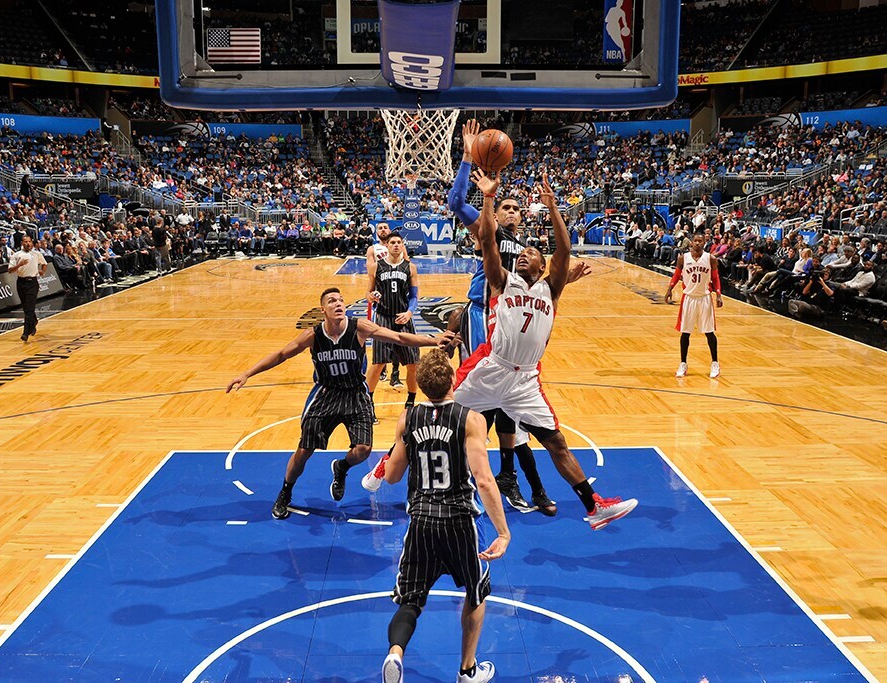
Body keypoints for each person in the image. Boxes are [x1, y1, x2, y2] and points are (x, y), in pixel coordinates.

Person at [456, 169, 638, 531]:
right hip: (492, 368)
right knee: (438, 417)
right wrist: (488, 198)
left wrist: (554, 207)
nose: (524, 255)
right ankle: (394, 471)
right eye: (521, 253)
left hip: (526, 380)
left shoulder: (550, 290)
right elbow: (489, 242)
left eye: (532, 253)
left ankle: (594, 506)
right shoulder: (501, 281)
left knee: (556, 442)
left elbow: (565, 250)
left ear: (543, 266)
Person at [225, 287, 455, 520]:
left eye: (341, 300)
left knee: (363, 450)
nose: (338, 303)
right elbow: (282, 354)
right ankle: (286, 491)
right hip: (326, 395)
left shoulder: (359, 328)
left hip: (356, 393)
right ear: (323, 309)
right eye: (332, 301)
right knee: (304, 451)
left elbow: (398, 337)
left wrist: (434, 340)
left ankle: (341, 467)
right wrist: (247, 374)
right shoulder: (313, 336)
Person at [445, 119, 554, 515]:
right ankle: (460, 471)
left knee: (508, 399)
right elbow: (457, 202)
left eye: (515, 208)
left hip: (511, 327)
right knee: (478, 399)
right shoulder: (488, 229)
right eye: (504, 205)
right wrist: (466, 155)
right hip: (481, 316)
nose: (510, 211)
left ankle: (505, 473)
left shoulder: (527, 253)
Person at [380, 350, 510, 683]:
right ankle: (467, 670)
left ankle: (395, 653)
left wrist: (397, 449)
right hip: (459, 521)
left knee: (410, 600)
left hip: (421, 519)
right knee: (476, 590)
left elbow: (392, 478)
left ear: (421, 385)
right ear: (453, 380)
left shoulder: (407, 419)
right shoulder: (471, 419)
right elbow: (483, 479)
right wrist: (503, 531)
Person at [366, 232, 420, 417]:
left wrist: (409, 313)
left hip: (403, 318)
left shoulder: (410, 267)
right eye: (392, 243)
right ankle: (368, 402)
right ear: (387, 246)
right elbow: (368, 292)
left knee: (413, 364)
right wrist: (371, 297)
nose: (396, 245)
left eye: (399, 242)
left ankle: (411, 402)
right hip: (382, 318)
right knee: (378, 363)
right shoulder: (376, 267)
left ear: (402, 245)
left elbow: (414, 297)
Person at [664, 232, 723, 378]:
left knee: (709, 332)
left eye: (700, 241)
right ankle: (683, 363)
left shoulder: (711, 259)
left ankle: (715, 363)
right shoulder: (683, 258)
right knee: (685, 333)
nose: (697, 243)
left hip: (705, 298)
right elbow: (677, 275)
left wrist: (719, 295)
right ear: (691, 242)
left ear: (704, 242)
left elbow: (715, 278)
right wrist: (669, 289)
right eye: (695, 241)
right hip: (688, 298)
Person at [364, 222, 401, 388]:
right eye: (380, 228)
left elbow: (406, 266)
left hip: (398, 296)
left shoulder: (397, 245)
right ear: (376, 232)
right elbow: (371, 271)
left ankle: (395, 373)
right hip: (381, 297)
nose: (383, 230)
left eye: (386, 227)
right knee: (383, 337)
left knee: (399, 339)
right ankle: (383, 368)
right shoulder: (373, 249)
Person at [7, 235, 48, 342]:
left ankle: (25, 333)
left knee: (29, 307)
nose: (28, 243)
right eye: (25, 241)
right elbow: (10, 270)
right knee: (26, 307)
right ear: (22, 243)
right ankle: (33, 321)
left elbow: (44, 264)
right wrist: (19, 264)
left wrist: (43, 272)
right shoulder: (16, 255)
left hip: (33, 282)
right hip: (21, 282)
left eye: (29, 241)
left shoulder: (36, 253)